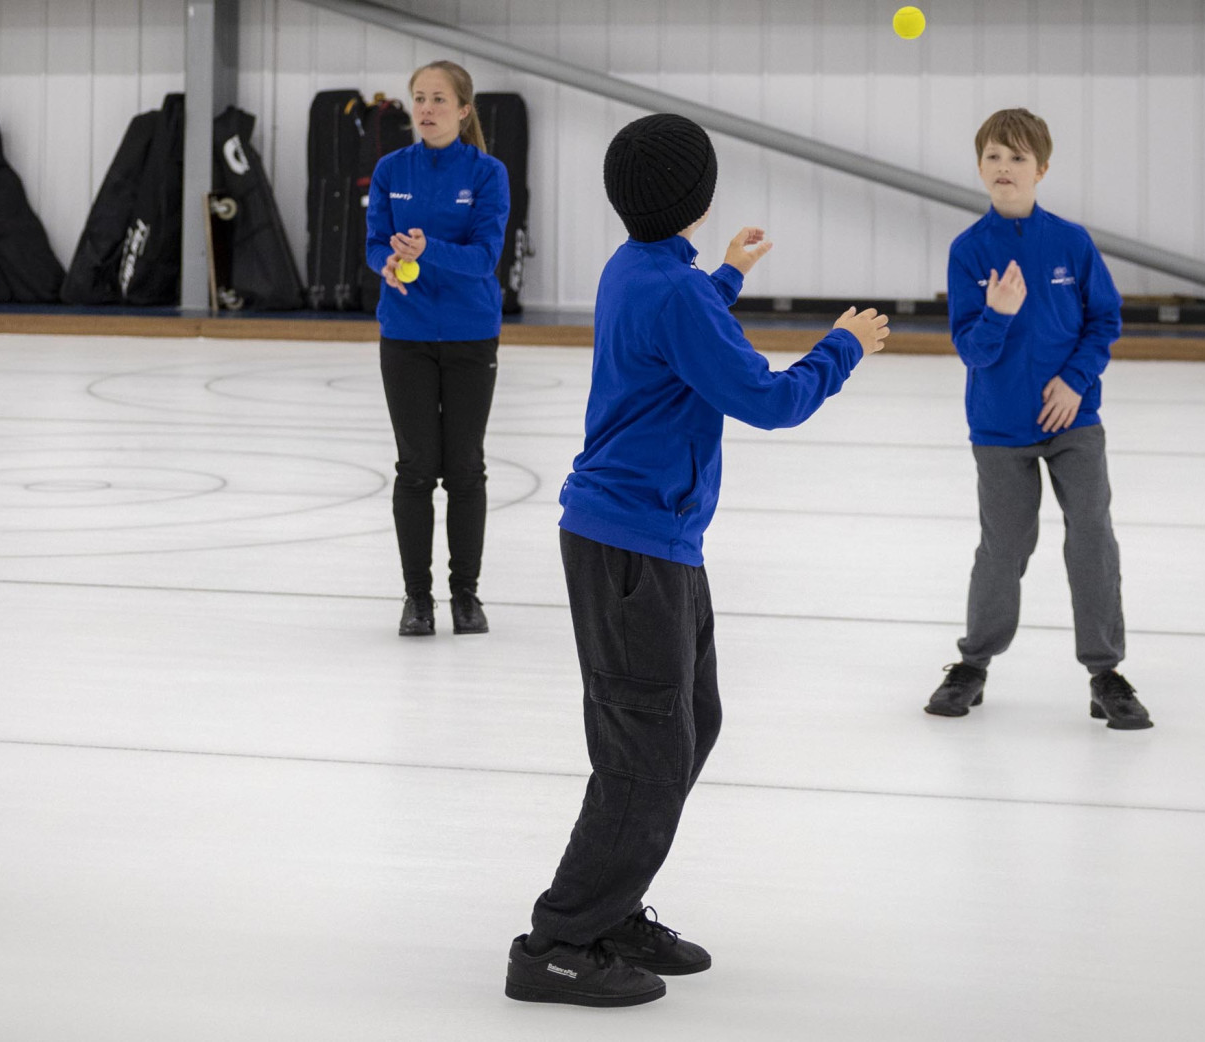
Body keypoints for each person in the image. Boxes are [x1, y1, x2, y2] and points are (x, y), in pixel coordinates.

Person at [504, 113, 888, 1007]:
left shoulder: (646, 268)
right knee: (646, 751)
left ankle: (613, 902)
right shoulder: (673, 292)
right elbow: (767, 398)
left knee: (688, 722)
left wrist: (728, 274)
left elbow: (684, 317)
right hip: (631, 547)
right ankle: (558, 940)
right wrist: (844, 347)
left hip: (650, 543)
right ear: (699, 197)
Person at [924, 107, 1151, 729]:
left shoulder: (1071, 243)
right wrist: (995, 311)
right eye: (994, 156)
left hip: (1073, 422)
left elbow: (1104, 320)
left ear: (1041, 169)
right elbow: (971, 349)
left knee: (1092, 542)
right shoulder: (969, 251)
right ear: (980, 167)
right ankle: (972, 665)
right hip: (1000, 429)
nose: (1005, 168)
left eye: (1018, 158)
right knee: (1004, 548)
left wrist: (1076, 382)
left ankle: (1106, 674)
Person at [365, 60, 510, 637]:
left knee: (465, 469)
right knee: (416, 469)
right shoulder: (389, 169)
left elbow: (483, 260)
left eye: (438, 100)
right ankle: (417, 599)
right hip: (405, 335)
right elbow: (376, 241)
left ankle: (466, 597)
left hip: (471, 334)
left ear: (463, 109)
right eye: (419, 99)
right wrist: (388, 265)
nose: (426, 109)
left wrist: (427, 252)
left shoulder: (487, 174)